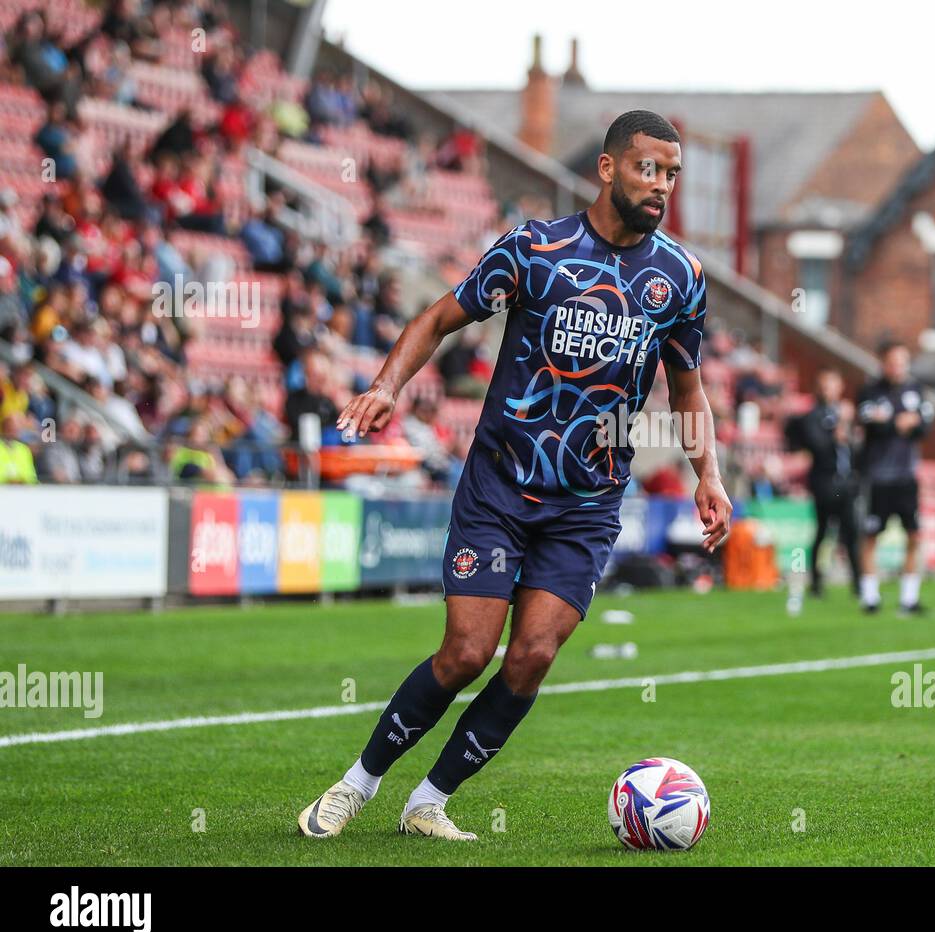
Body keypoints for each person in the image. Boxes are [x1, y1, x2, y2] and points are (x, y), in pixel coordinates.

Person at [297, 110, 729, 843]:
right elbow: (438, 317)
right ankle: (354, 787)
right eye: (647, 169)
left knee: (529, 657)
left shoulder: (678, 278)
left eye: (671, 174)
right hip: (500, 485)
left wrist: (706, 475)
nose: (660, 185)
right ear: (607, 167)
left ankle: (428, 801)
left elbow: (687, 388)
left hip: (588, 502)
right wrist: (385, 387)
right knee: (467, 652)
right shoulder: (537, 249)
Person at [855, 342, 933, 615]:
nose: (898, 367)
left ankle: (909, 599)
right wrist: (896, 422)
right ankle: (870, 598)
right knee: (871, 535)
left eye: (903, 361)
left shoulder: (915, 389)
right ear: (883, 363)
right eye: (893, 361)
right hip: (878, 477)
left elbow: (924, 424)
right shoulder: (870, 391)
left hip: (906, 476)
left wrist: (898, 421)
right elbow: (867, 420)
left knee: (913, 535)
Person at [786, 369, 860, 598]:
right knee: (823, 531)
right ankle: (817, 582)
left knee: (851, 533)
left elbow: (856, 448)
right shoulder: (814, 416)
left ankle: (858, 583)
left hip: (846, 481)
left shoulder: (845, 415)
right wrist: (836, 433)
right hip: (825, 481)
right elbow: (816, 446)